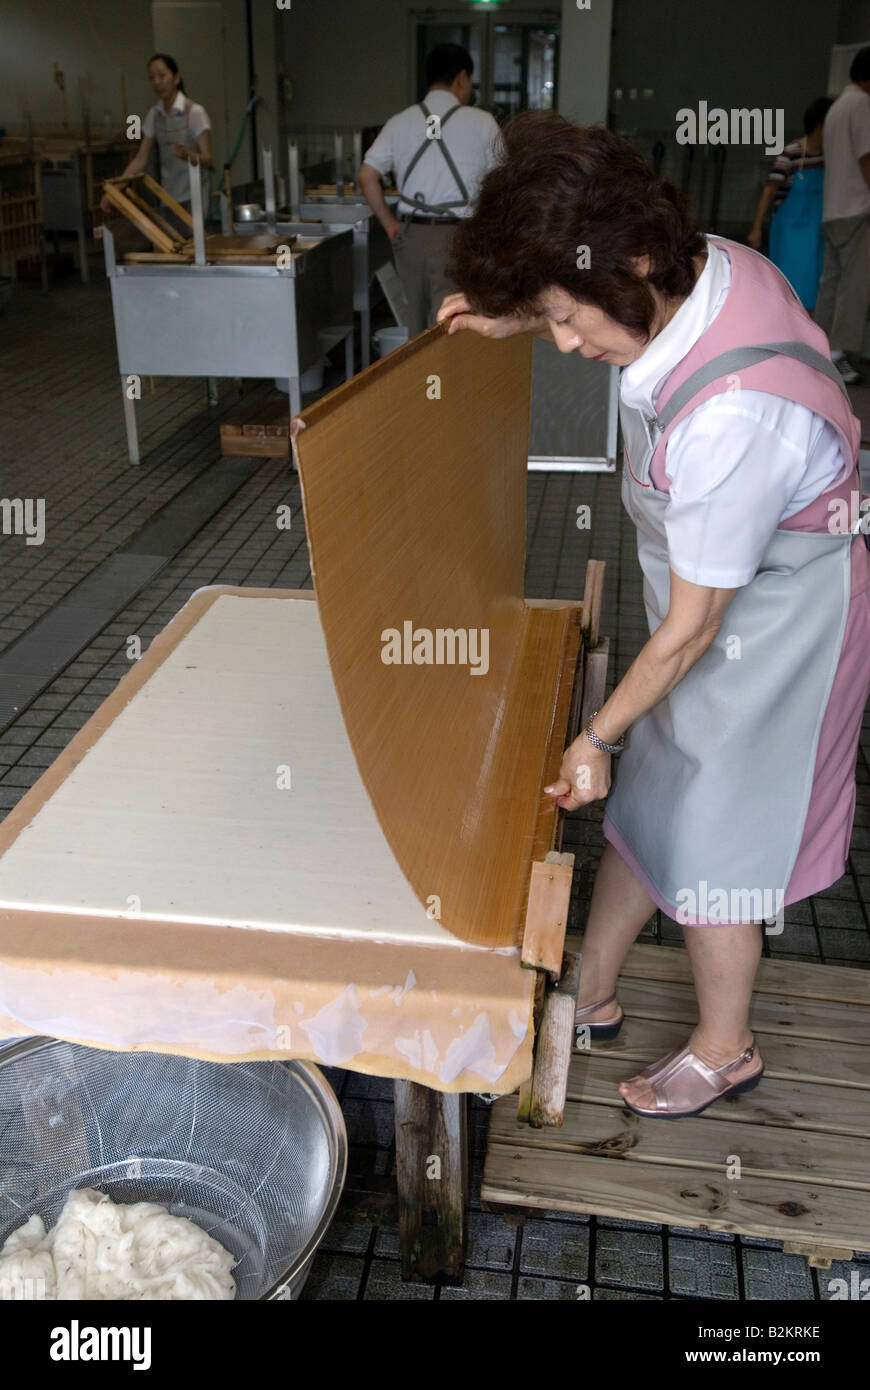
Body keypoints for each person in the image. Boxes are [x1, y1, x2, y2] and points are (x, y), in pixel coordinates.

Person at [438, 113, 870, 1119]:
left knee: (723, 833)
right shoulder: (694, 265)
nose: (564, 339)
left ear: (629, 260)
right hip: (712, 603)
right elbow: (683, 627)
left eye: (564, 313)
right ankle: (591, 986)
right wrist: (516, 314)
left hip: (777, 625)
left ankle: (729, 1046)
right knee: (648, 798)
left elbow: (689, 633)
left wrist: (594, 733)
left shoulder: (734, 417)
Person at [358, 43, 501, 336]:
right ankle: (450, 380)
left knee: (414, 329)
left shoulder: (399, 123)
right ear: (462, 78)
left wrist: (389, 225)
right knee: (454, 325)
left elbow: (366, 176)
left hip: (411, 237)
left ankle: (420, 380)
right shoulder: (482, 122)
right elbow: (504, 183)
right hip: (459, 238)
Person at [814, 48, 870, 384]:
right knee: (854, 285)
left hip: (834, 209)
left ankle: (820, 348)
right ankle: (840, 355)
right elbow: (867, 159)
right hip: (856, 208)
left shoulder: (837, 106)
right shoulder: (863, 105)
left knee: (831, 283)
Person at [101, 54, 213, 221]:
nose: (157, 82)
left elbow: (208, 159)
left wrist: (188, 155)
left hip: (195, 198)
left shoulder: (194, 112)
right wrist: (114, 191)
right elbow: (140, 159)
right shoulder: (154, 115)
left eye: (161, 76)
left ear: (176, 79)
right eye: (152, 78)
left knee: (193, 244)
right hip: (168, 196)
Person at [747, 97, 832, 311]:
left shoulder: (828, 156)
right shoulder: (791, 153)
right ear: (821, 125)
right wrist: (757, 228)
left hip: (816, 234)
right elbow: (769, 191)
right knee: (788, 287)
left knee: (814, 287)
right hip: (789, 234)